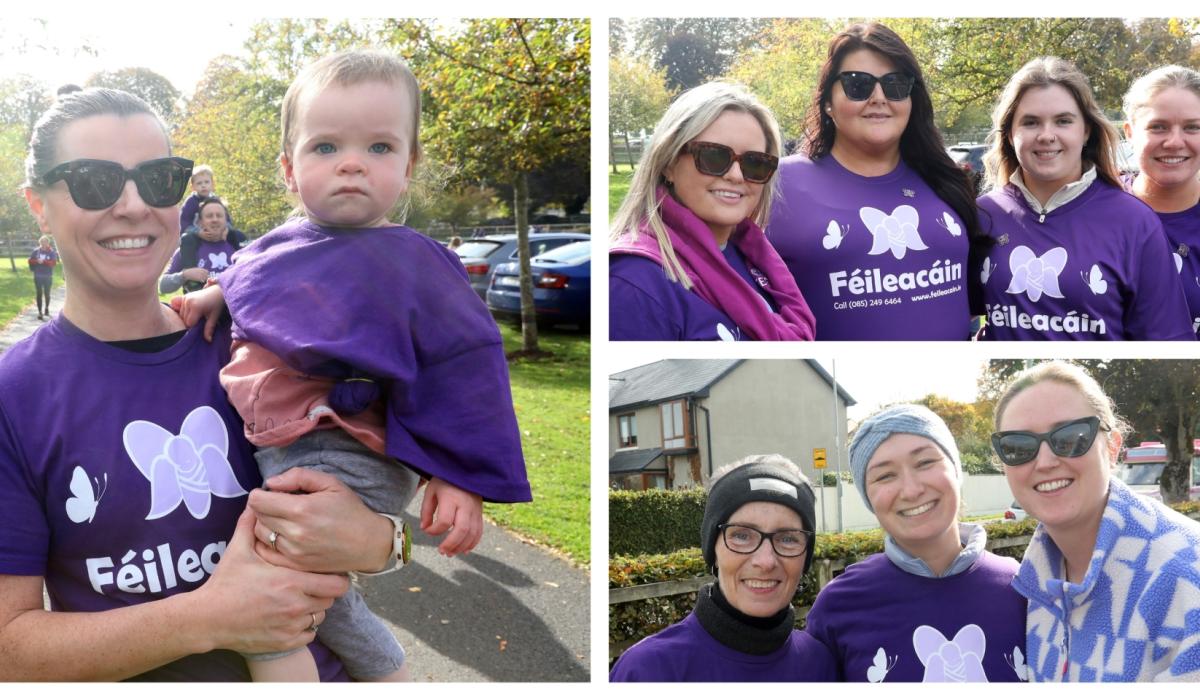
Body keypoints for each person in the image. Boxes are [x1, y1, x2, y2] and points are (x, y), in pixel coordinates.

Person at [0, 87, 404, 682]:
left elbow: (374, 480)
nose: (133, 205)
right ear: (38, 204)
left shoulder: (262, 344)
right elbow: (9, 650)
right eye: (94, 181)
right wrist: (208, 619)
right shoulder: (15, 396)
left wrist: (384, 541)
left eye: (159, 180)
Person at [177, 50, 531, 682]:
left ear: (408, 165)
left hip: (348, 445)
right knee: (299, 590)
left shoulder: (418, 263)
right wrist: (213, 296)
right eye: (325, 147)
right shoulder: (277, 247)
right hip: (285, 445)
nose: (350, 163)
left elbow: (468, 369)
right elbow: (247, 279)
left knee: (271, 595)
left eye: (378, 147)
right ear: (289, 170)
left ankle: (383, 675)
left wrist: (460, 476)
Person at [768, 22, 981, 340]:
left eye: (895, 85)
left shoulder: (945, 180)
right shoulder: (777, 185)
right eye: (858, 84)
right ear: (827, 102)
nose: (879, 97)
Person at [992, 361, 1200, 680]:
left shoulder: (1187, 579)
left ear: (1113, 447)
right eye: (1018, 447)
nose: (1045, 462)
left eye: (1071, 437)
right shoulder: (1034, 584)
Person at [805, 404, 1027, 682]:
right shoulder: (839, 605)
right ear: (868, 498)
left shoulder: (1022, 588)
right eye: (885, 475)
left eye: (925, 463)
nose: (911, 490)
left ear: (956, 471)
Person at [975, 57, 1192, 340]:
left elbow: (1167, 341)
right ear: (1009, 133)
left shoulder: (1135, 220)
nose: (1046, 135)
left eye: (1063, 121)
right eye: (1030, 122)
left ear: (1086, 130)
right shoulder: (983, 215)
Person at [608, 82, 816, 341]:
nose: (736, 175)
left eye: (755, 163)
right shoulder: (634, 281)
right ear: (668, 163)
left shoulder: (753, 257)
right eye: (714, 157)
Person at [609, 455, 837, 681]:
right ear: (713, 550)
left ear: (805, 557)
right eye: (742, 535)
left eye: (788, 539)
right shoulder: (647, 671)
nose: (766, 561)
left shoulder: (820, 663)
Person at [1122, 65, 1200, 338]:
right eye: (1158, 127)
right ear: (1130, 132)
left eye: (1192, 127)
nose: (1175, 142)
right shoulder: (1092, 210)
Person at [160, 195, 247, 294]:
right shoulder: (187, 249)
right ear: (200, 222)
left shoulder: (238, 244)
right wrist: (184, 275)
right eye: (209, 216)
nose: (215, 219)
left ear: (226, 220)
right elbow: (163, 286)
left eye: (219, 216)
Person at [178, 164, 232, 233]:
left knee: (237, 234)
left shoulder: (216, 201)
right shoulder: (191, 202)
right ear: (192, 187)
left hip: (217, 233)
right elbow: (184, 222)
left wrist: (226, 230)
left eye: (206, 182)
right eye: (199, 183)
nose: (203, 185)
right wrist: (198, 232)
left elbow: (227, 220)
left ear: (212, 184)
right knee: (186, 237)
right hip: (197, 234)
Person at [27, 235, 58, 320]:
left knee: (47, 293)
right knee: (39, 293)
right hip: (38, 275)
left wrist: (44, 261)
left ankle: (46, 308)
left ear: (48, 243)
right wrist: (37, 261)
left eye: (45, 242)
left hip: (48, 276)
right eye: (42, 242)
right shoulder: (36, 251)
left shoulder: (51, 252)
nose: (43, 244)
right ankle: (40, 312)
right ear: (39, 242)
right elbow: (29, 260)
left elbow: (53, 263)